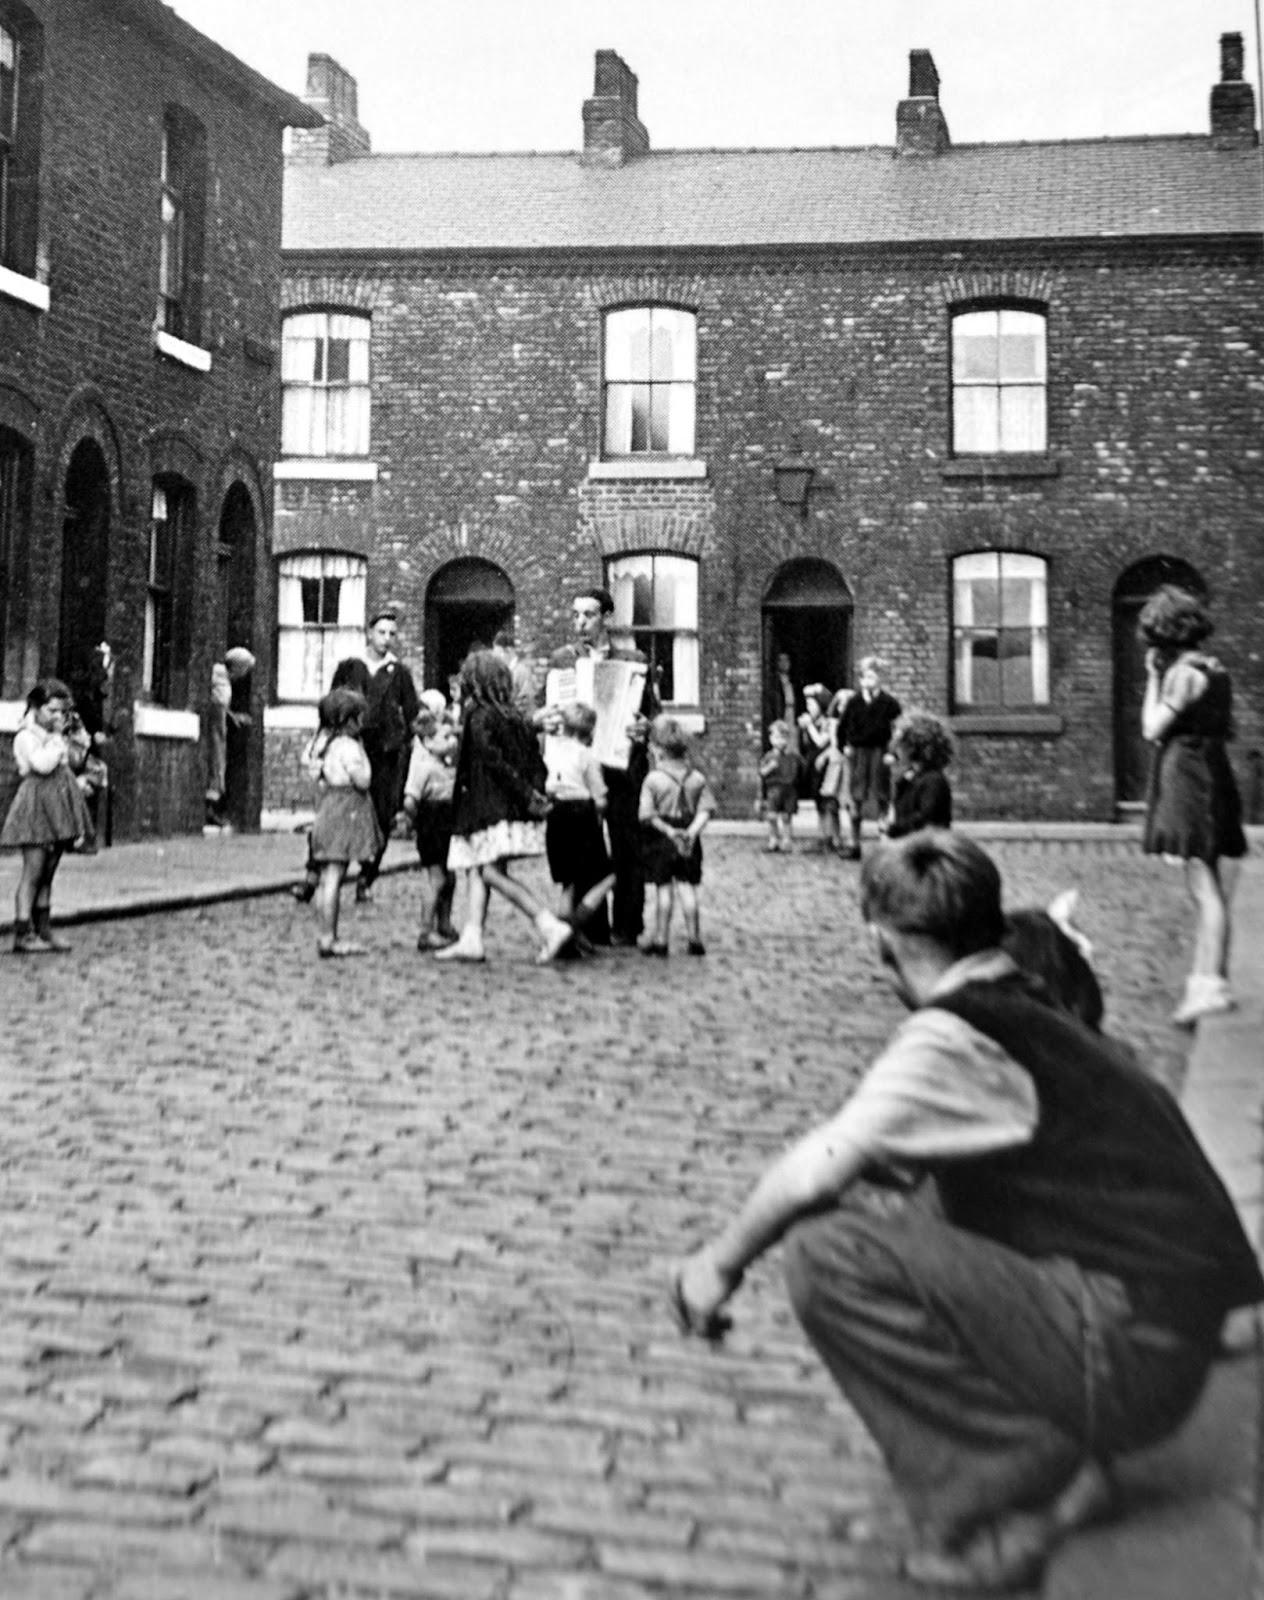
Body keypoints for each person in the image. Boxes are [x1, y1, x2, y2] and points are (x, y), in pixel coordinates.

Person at [671, 830, 1263, 1593]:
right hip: (1170, 1329)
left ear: (885, 940)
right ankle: (1033, 1447)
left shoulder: (956, 1035)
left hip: (1130, 1353)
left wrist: (714, 1265)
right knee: (914, 1199)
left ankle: (1022, 1473)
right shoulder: (1029, 996)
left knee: (829, 1253)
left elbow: (818, 1169)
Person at [1139, 584, 1248, 1027]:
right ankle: (1208, 979)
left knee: (1203, 886)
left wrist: (1150, 677)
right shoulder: (1214, 668)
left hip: (1189, 777)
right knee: (1207, 883)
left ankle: (1209, 987)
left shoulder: (1183, 674)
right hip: (1210, 770)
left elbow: (1151, 728)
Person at [436, 650, 573, 966]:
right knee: (481, 870)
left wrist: (525, 794)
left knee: (489, 872)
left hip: (487, 809)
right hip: (507, 808)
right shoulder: (514, 718)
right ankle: (472, 937)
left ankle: (549, 925)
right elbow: (536, 764)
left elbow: (491, 762)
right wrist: (532, 793)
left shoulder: (477, 715)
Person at [549, 588, 658, 947]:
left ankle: (627, 925)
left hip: (622, 766)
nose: (581, 622)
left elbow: (652, 714)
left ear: (606, 618)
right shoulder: (563, 662)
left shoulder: (633, 661)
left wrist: (644, 727)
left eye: (589, 615)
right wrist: (549, 718)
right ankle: (592, 926)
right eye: (576, 614)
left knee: (627, 845)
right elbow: (546, 707)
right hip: (581, 768)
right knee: (585, 848)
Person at [331, 610, 420, 902]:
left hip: (384, 755)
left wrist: (402, 739)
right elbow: (332, 705)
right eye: (382, 632)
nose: (387, 639)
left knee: (382, 816)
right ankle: (316, 875)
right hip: (352, 749)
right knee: (337, 810)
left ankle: (366, 879)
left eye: (392, 634)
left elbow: (413, 714)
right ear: (370, 633)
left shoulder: (399, 673)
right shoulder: (350, 667)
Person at [2, 679, 93, 955]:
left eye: (62, 713)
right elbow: (41, 765)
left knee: (48, 873)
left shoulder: (54, 737)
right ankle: (22, 933)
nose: (57, 717)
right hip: (35, 808)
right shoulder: (26, 737)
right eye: (52, 711)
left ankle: (44, 928)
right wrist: (56, 740)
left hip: (57, 807)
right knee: (33, 872)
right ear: (36, 708)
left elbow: (68, 764)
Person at [308, 688, 382, 959]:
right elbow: (362, 780)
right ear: (350, 720)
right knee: (335, 878)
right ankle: (329, 937)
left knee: (328, 876)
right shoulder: (349, 747)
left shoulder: (324, 744)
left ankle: (325, 933)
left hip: (329, 807)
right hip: (345, 812)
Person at [638, 715, 716, 957]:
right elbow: (706, 810)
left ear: (659, 750)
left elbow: (646, 815)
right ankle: (694, 937)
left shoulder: (653, 779)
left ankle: (661, 939)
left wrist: (670, 831)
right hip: (689, 837)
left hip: (662, 839)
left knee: (664, 890)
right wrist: (690, 833)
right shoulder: (697, 779)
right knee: (687, 887)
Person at [544, 701, 616, 945]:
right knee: (606, 877)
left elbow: (548, 785)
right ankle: (573, 928)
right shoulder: (586, 756)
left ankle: (564, 933)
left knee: (568, 882)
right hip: (581, 814)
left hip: (556, 814)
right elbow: (600, 797)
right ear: (590, 731)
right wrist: (601, 814)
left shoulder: (553, 752)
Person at [398, 703, 459, 952]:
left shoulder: (448, 765)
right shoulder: (423, 767)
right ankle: (426, 930)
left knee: (450, 877)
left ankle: (444, 922)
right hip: (432, 824)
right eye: (446, 737)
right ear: (428, 741)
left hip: (447, 824)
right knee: (437, 878)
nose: (453, 741)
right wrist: (414, 820)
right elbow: (410, 799)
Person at [836, 657, 902, 860]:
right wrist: (844, 747)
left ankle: (884, 845)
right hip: (858, 754)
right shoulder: (854, 702)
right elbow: (842, 728)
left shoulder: (889, 703)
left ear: (879, 679)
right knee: (856, 797)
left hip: (880, 754)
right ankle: (855, 844)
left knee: (881, 796)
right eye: (865, 676)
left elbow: (898, 730)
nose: (868, 680)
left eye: (873, 676)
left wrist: (893, 753)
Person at [204, 647, 256, 831]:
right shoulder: (222, 681)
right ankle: (210, 810)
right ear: (238, 667)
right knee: (216, 764)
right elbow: (217, 706)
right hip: (215, 731)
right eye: (245, 670)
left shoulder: (220, 677)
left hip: (218, 729)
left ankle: (212, 807)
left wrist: (232, 716)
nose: (244, 676)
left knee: (218, 764)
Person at [885, 710, 954, 839]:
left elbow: (926, 819)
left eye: (900, 745)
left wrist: (895, 828)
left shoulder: (933, 781)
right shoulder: (910, 777)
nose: (896, 750)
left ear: (913, 747)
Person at [799, 684, 843, 853]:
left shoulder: (827, 723)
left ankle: (836, 837)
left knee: (830, 803)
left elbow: (821, 741)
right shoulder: (814, 721)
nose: (809, 708)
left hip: (826, 764)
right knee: (818, 802)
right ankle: (823, 836)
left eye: (812, 704)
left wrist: (809, 726)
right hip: (814, 764)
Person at [758, 720, 800, 853]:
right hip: (774, 789)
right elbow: (761, 772)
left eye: (783, 738)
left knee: (787, 816)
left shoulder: (792, 756)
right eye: (777, 738)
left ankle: (787, 840)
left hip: (788, 789)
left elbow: (798, 771)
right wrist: (770, 767)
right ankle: (773, 839)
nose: (780, 741)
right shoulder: (769, 756)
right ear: (771, 739)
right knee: (772, 815)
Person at [492, 627, 540, 724]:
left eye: (498, 654)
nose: (495, 658)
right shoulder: (507, 671)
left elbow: (528, 706)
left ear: (508, 651)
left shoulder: (522, 672)